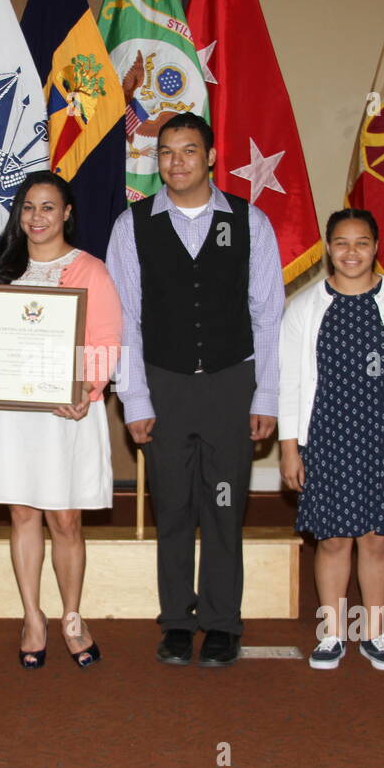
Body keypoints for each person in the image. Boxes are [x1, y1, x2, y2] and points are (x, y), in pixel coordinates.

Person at [106, 112, 284, 668]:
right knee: (175, 507)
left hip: (232, 384)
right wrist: (134, 397)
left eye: (188, 151)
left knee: (225, 508)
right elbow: (125, 319)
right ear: (155, 160)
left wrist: (266, 396)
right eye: (166, 152)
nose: (176, 162)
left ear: (210, 157)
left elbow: (268, 314)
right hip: (164, 385)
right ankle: (178, 622)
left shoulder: (248, 221)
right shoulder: (131, 226)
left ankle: (223, 622)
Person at [0, 172, 122, 669]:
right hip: (14, 413)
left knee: (65, 517)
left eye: (48, 208)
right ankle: (32, 616)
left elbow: (106, 343)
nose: (37, 218)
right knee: (22, 513)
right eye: (29, 208)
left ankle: (72, 616)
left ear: (67, 213)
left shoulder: (91, 271)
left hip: (66, 412)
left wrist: (87, 389)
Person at [278, 209, 384, 671]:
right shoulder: (304, 309)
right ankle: (330, 633)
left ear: (376, 247)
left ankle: (375, 633)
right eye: (342, 243)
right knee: (332, 540)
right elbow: (290, 384)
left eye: (362, 242)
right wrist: (290, 448)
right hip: (326, 437)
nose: (352, 252)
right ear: (328, 248)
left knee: (377, 539)